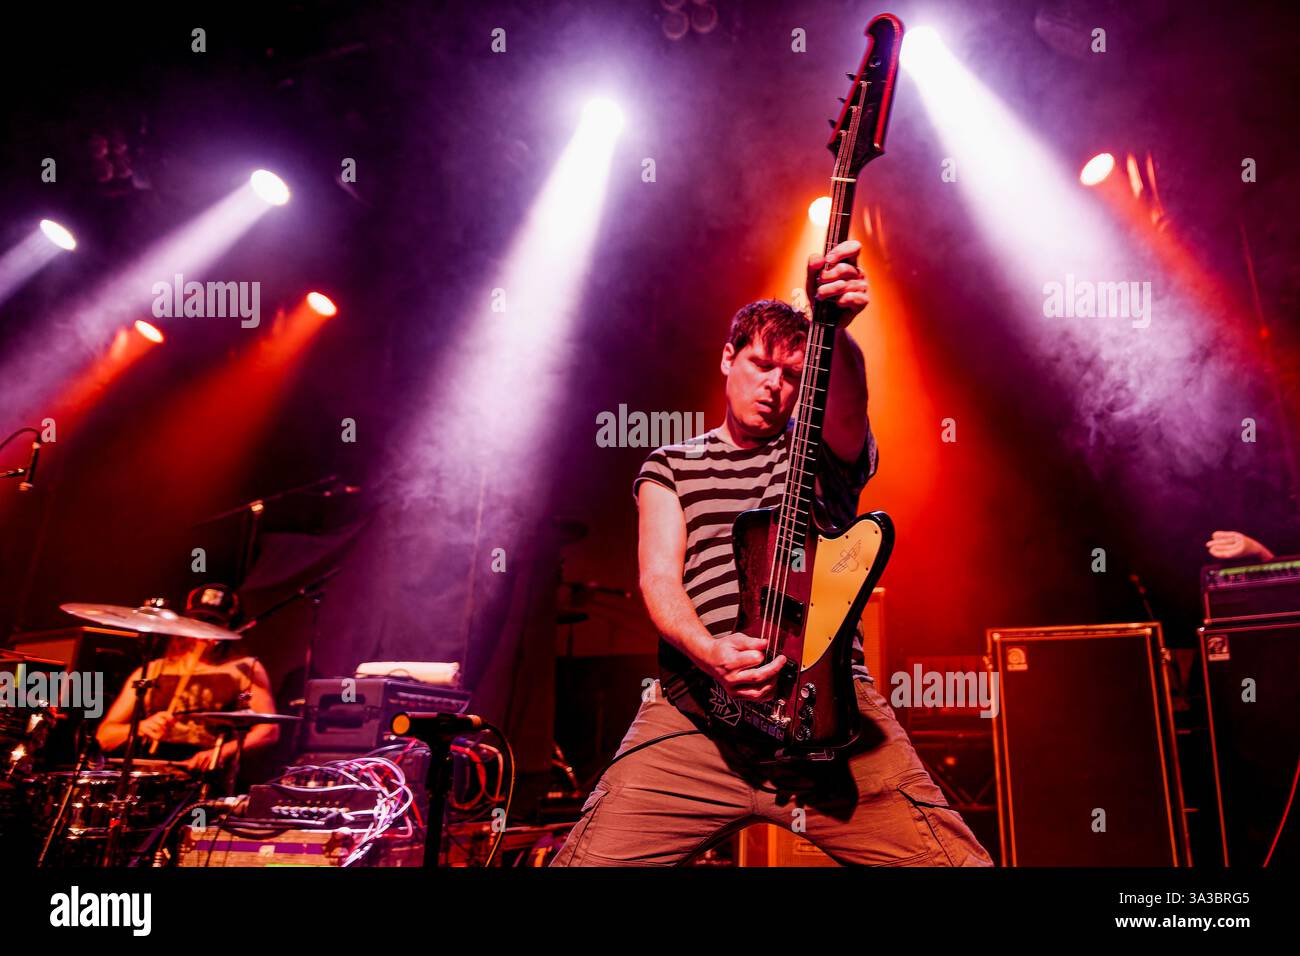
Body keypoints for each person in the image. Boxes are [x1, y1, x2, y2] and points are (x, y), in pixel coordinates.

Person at [551, 240, 993, 866]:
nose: (774, 386)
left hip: (830, 716)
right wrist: (712, 653)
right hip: (694, 718)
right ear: (727, 359)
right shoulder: (671, 465)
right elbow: (658, 579)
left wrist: (831, 329)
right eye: (761, 364)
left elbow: (848, 404)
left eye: (791, 374)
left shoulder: (818, 456)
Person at [95, 584, 280, 771]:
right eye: (198, 619)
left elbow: (268, 730)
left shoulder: (245, 669)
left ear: (230, 626)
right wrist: (141, 727)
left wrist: (220, 753)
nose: (204, 627)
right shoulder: (154, 670)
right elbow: (104, 737)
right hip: (150, 770)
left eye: (213, 621)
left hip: (206, 774)